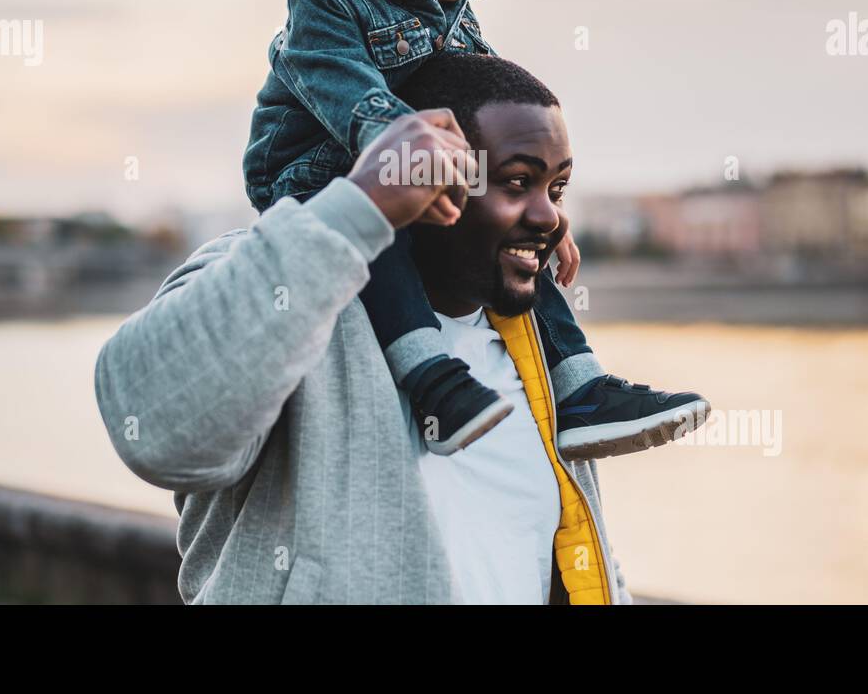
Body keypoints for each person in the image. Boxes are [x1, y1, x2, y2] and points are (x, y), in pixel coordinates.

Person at [242, 0, 709, 459]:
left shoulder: (455, 10)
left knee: (511, 233)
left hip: (424, 165)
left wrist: (535, 202)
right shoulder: (324, 0)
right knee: (387, 232)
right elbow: (341, 87)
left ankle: (578, 389)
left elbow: (495, 98)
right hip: (317, 173)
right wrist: (402, 152)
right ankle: (432, 383)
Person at [95, 56, 647, 603]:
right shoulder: (286, 280)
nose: (549, 217)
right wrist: (361, 207)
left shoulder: (539, 359)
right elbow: (154, 427)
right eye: (517, 181)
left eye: (556, 189)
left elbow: (574, 562)